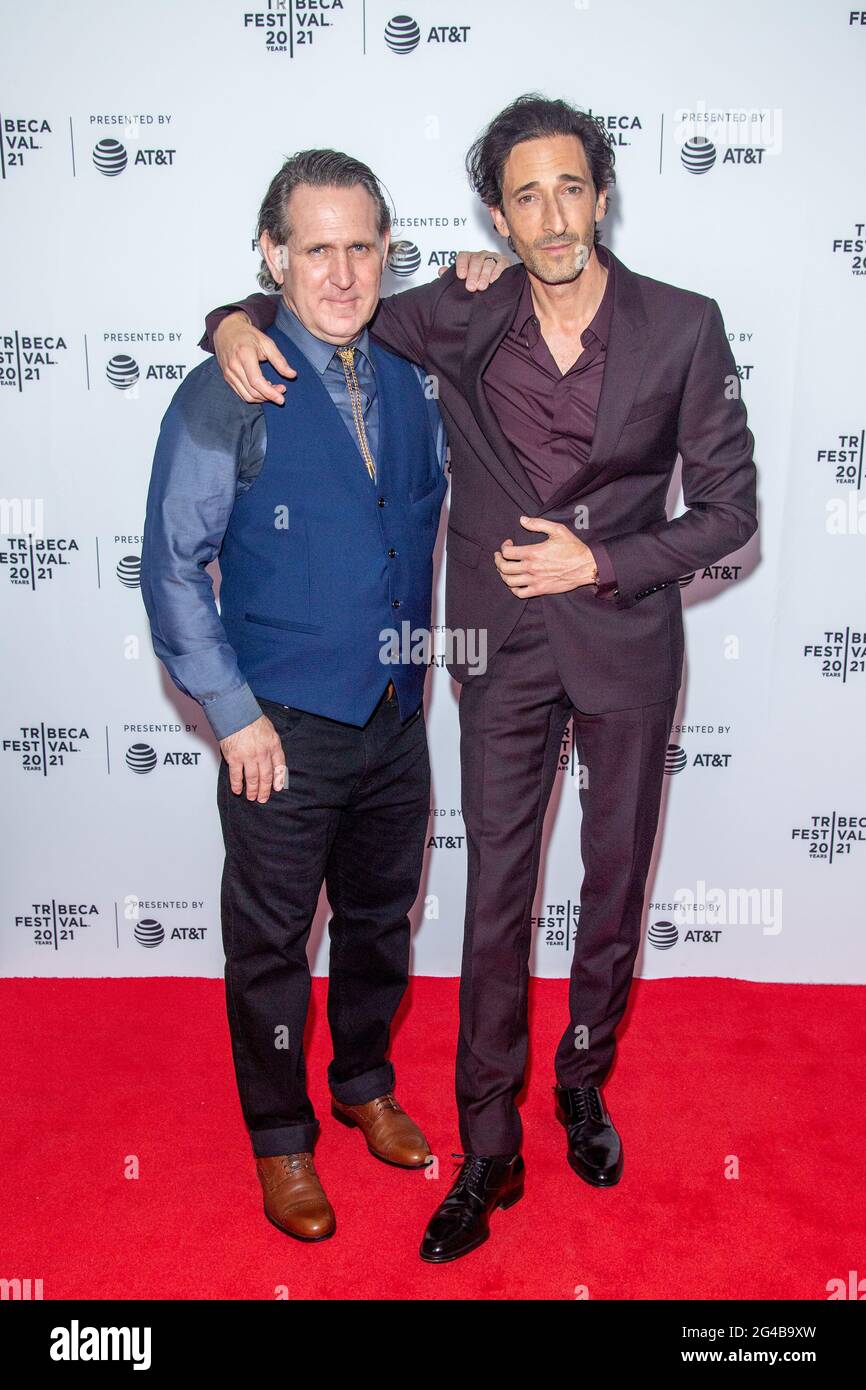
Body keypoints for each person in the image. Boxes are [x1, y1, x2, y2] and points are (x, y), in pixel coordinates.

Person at [200, 95, 759, 1264]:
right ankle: (486, 1145)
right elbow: (324, 300)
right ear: (495, 216)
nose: (550, 217)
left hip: (627, 649)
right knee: (494, 899)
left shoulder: (683, 327)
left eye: (569, 188)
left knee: (609, 893)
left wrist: (599, 556)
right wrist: (230, 318)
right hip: (497, 655)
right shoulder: (459, 314)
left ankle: (583, 1082)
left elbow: (729, 513)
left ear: (602, 195)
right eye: (523, 195)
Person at [141, 149, 503, 1243]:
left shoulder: (407, 373)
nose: (339, 274)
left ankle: (361, 1079)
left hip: (395, 716)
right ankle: (280, 1138)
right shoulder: (226, 384)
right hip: (281, 726)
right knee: (269, 945)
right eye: (314, 250)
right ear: (272, 256)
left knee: (380, 923)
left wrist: (483, 273)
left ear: (385, 254)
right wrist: (231, 710)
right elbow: (168, 563)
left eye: (360, 248)